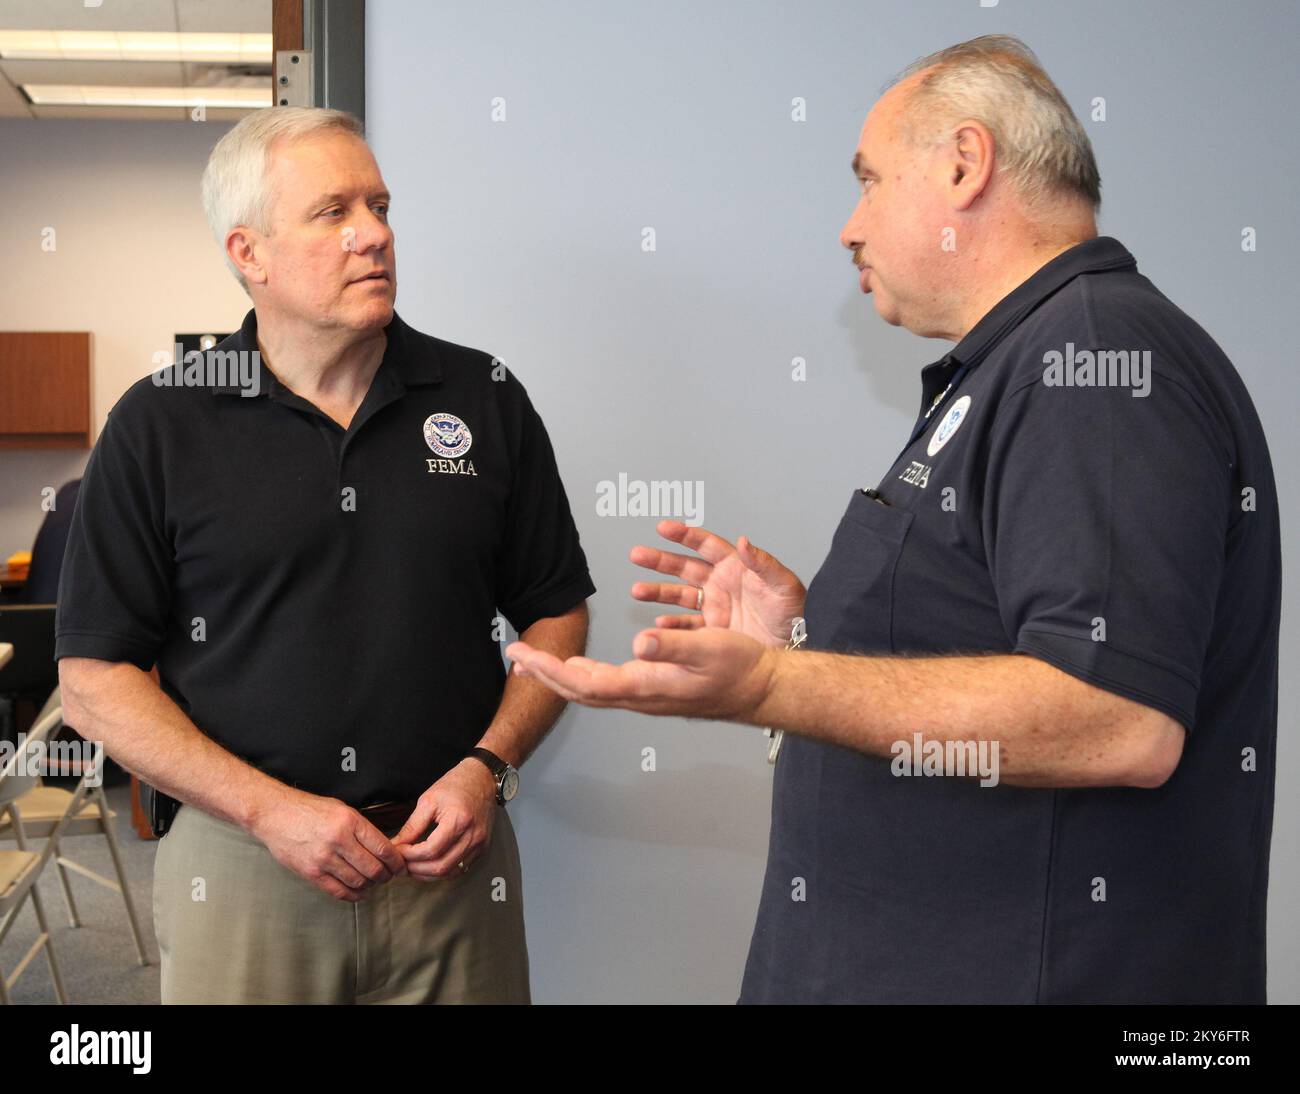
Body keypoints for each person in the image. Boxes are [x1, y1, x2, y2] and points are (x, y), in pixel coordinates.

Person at [506, 36, 1279, 1004]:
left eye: (868, 181)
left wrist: (770, 684)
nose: (848, 226)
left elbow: (1116, 719)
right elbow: (968, 643)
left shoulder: (1092, 357)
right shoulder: (1015, 365)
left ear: (964, 164)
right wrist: (799, 635)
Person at [56, 107, 595, 1003]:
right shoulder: (161, 423)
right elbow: (94, 680)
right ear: (249, 253)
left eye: (379, 206)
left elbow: (556, 610)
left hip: (448, 872)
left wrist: (486, 768)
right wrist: (272, 813)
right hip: (244, 868)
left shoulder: (482, 396)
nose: (374, 234)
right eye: (333, 212)